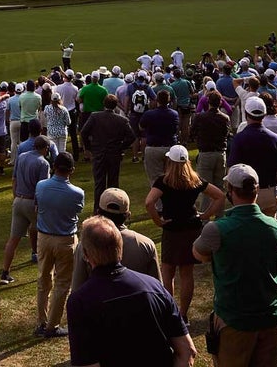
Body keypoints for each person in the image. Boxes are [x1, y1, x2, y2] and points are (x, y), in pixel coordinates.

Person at [69, 215, 195, 367]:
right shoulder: (154, 287)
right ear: (120, 249)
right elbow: (187, 351)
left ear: (86, 255)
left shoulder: (80, 302)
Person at [193, 163, 277, 367]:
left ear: (231, 191)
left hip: (235, 319)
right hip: (271, 317)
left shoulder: (216, 229)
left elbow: (198, 254)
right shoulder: (274, 226)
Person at [144, 144, 224, 318]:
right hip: (191, 228)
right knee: (186, 273)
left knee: (167, 272)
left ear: (170, 161)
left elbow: (149, 202)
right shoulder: (195, 180)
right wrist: (206, 215)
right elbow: (219, 195)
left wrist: (158, 221)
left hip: (172, 229)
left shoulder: (163, 181)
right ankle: (183, 313)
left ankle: (168, 312)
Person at [33, 152, 84, 338]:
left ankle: (41, 322)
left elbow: (38, 206)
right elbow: (77, 210)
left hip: (44, 238)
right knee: (62, 283)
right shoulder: (77, 193)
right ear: (71, 170)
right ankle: (52, 325)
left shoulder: (41, 186)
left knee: (43, 279)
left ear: (54, 167)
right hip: (66, 240)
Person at [71, 187, 159, 291]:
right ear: (127, 215)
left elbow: (77, 287)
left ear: (98, 212)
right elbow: (156, 287)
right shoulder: (145, 244)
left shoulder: (86, 244)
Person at [227, 95, 277, 218]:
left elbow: (232, 170)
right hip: (269, 191)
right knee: (269, 231)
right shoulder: (275, 139)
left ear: (246, 113)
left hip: (245, 193)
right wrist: (276, 190)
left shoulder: (239, 139)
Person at [2, 135, 50, 284]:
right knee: (44, 236)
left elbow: (14, 178)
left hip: (18, 201)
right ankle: (44, 271)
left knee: (13, 239)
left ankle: (5, 273)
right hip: (32, 202)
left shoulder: (21, 156)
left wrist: (15, 196)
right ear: (45, 148)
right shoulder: (43, 163)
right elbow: (42, 188)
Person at [79, 93, 135, 211]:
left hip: (99, 153)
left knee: (99, 183)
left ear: (104, 104)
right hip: (113, 154)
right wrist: (120, 147)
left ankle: (97, 210)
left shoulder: (95, 117)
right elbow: (131, 137)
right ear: (115, 106)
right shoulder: (121, 120)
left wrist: (89, 148)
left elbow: (83, 132)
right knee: (113, 184)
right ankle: (113, 210)